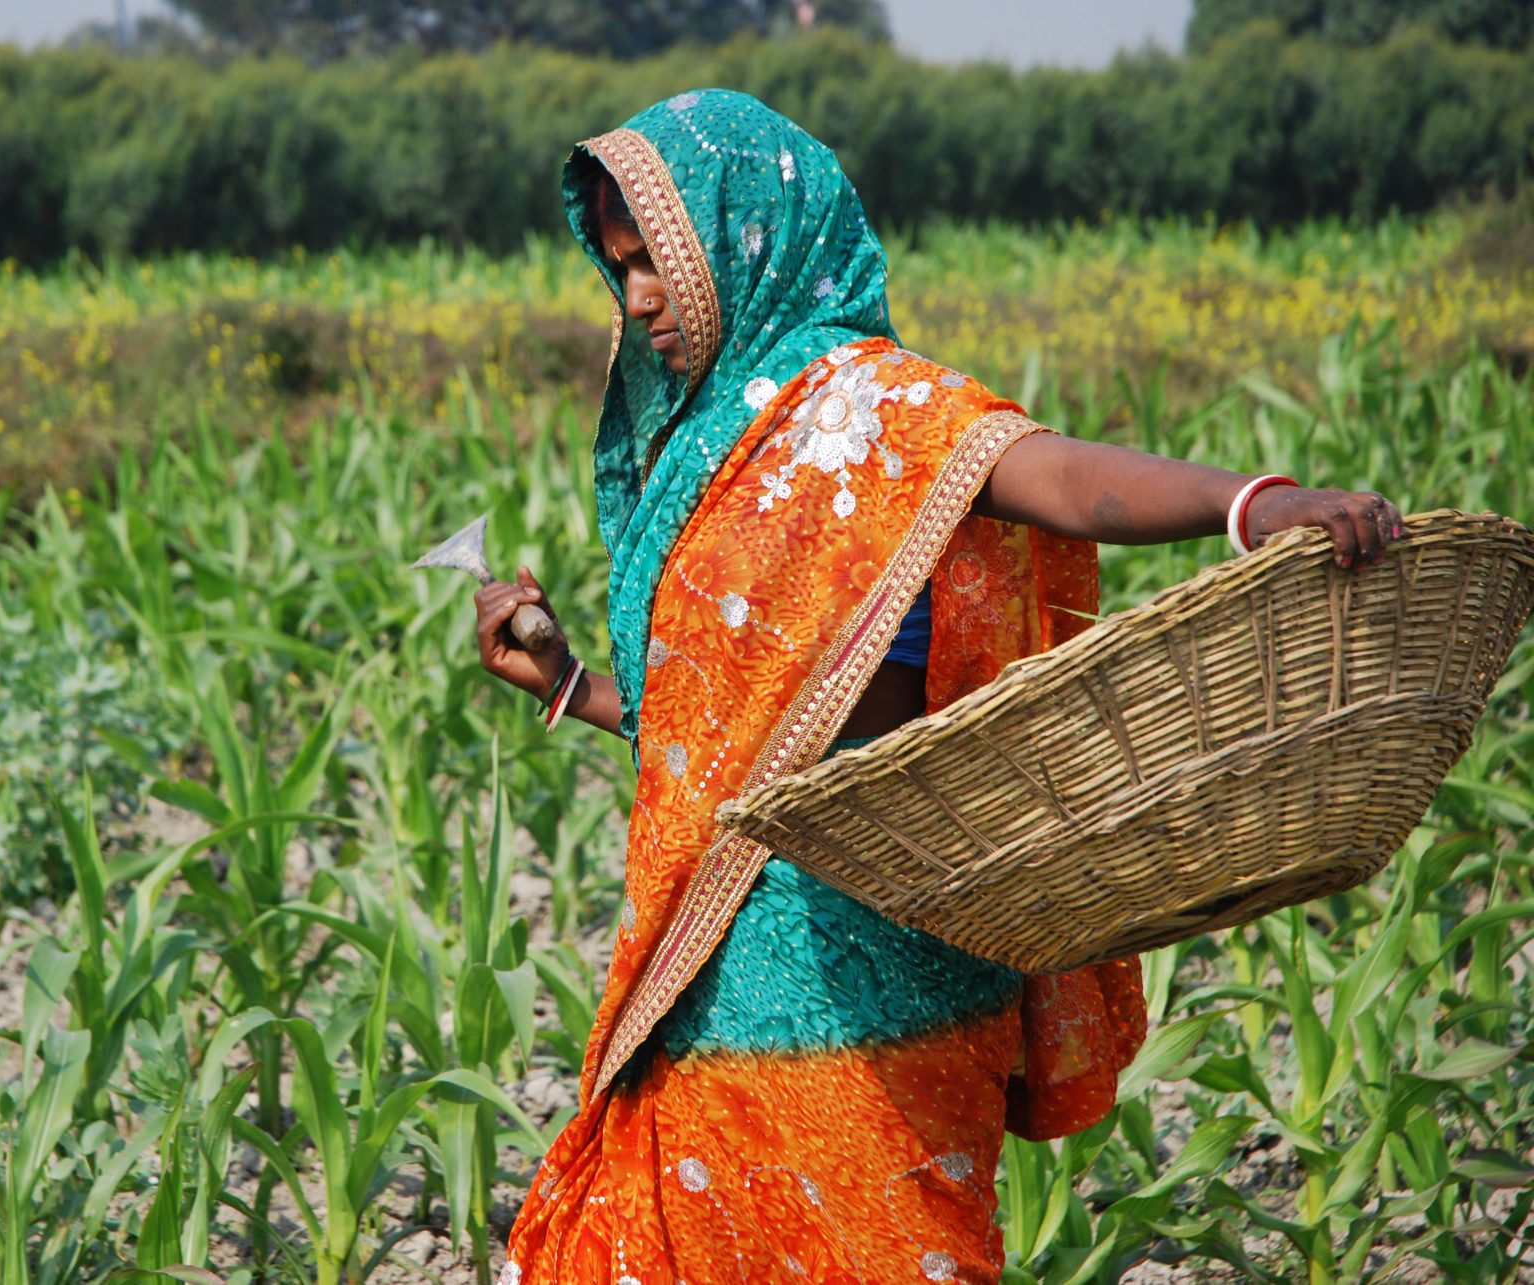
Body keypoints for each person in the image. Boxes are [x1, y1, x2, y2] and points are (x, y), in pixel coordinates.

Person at [469, 90, 1398, 1285]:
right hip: (723, 974)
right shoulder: (699, 447)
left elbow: (1052, 475)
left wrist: (1254, 506)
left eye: (655, 262)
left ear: (744, 236)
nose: (636, 299)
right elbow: (727, 728)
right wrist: (571, 686)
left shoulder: (868, 408)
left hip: (890, 955)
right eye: (618, 269)